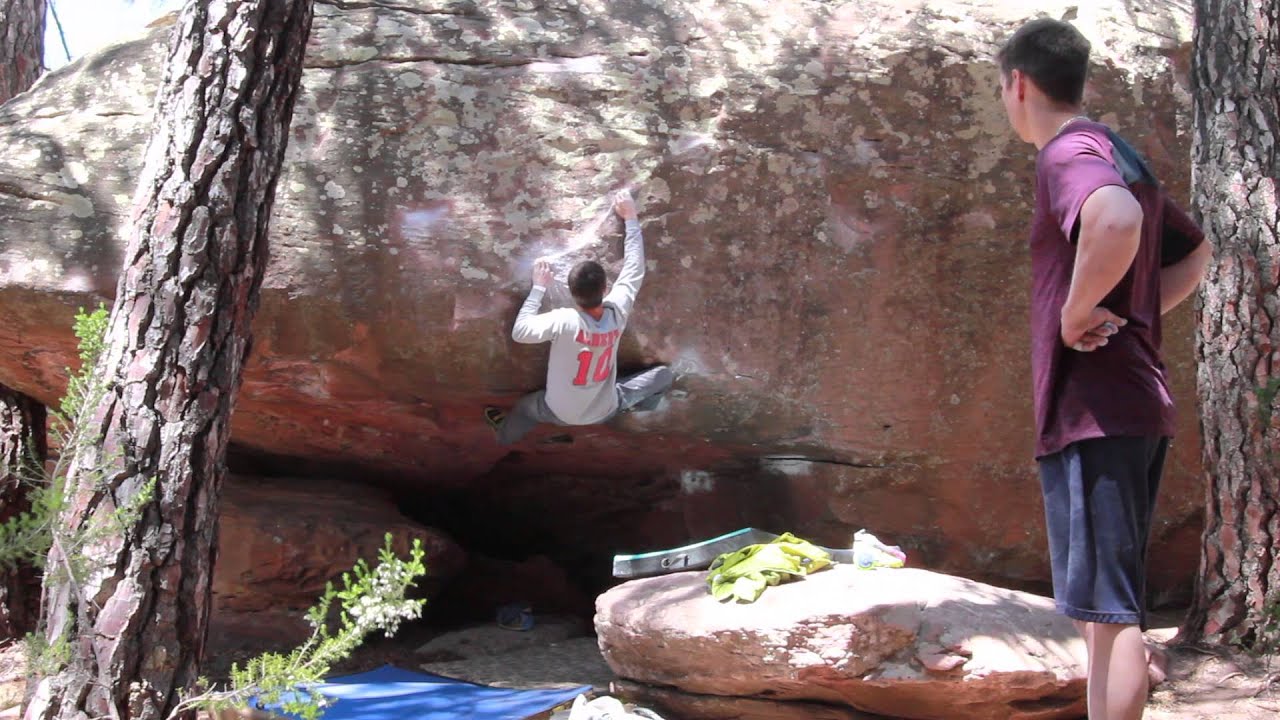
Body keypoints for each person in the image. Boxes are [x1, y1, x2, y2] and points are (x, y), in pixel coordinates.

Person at [996, 18, 1211, 720]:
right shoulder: (1115, 149)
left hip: (1095, 409)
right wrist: (1129, 314)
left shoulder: (1067, 152)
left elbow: (1114, 219)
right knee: (1101, 609)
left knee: (1111, 613)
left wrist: (1077, 310)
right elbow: (1194, 251)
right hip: (1129, 404)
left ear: (1018, 84)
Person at [485, 190, 672, 445]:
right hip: (606, 408)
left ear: (572, 295)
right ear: (605, 289)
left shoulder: (564, 321)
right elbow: (634, 268)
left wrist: (538, 288)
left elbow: (520, 332)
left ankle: (504, 436)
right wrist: (630, 217)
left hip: (557, 412)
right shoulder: (617, 311)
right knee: (663, 376)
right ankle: (637, 409)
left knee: (525, 409)